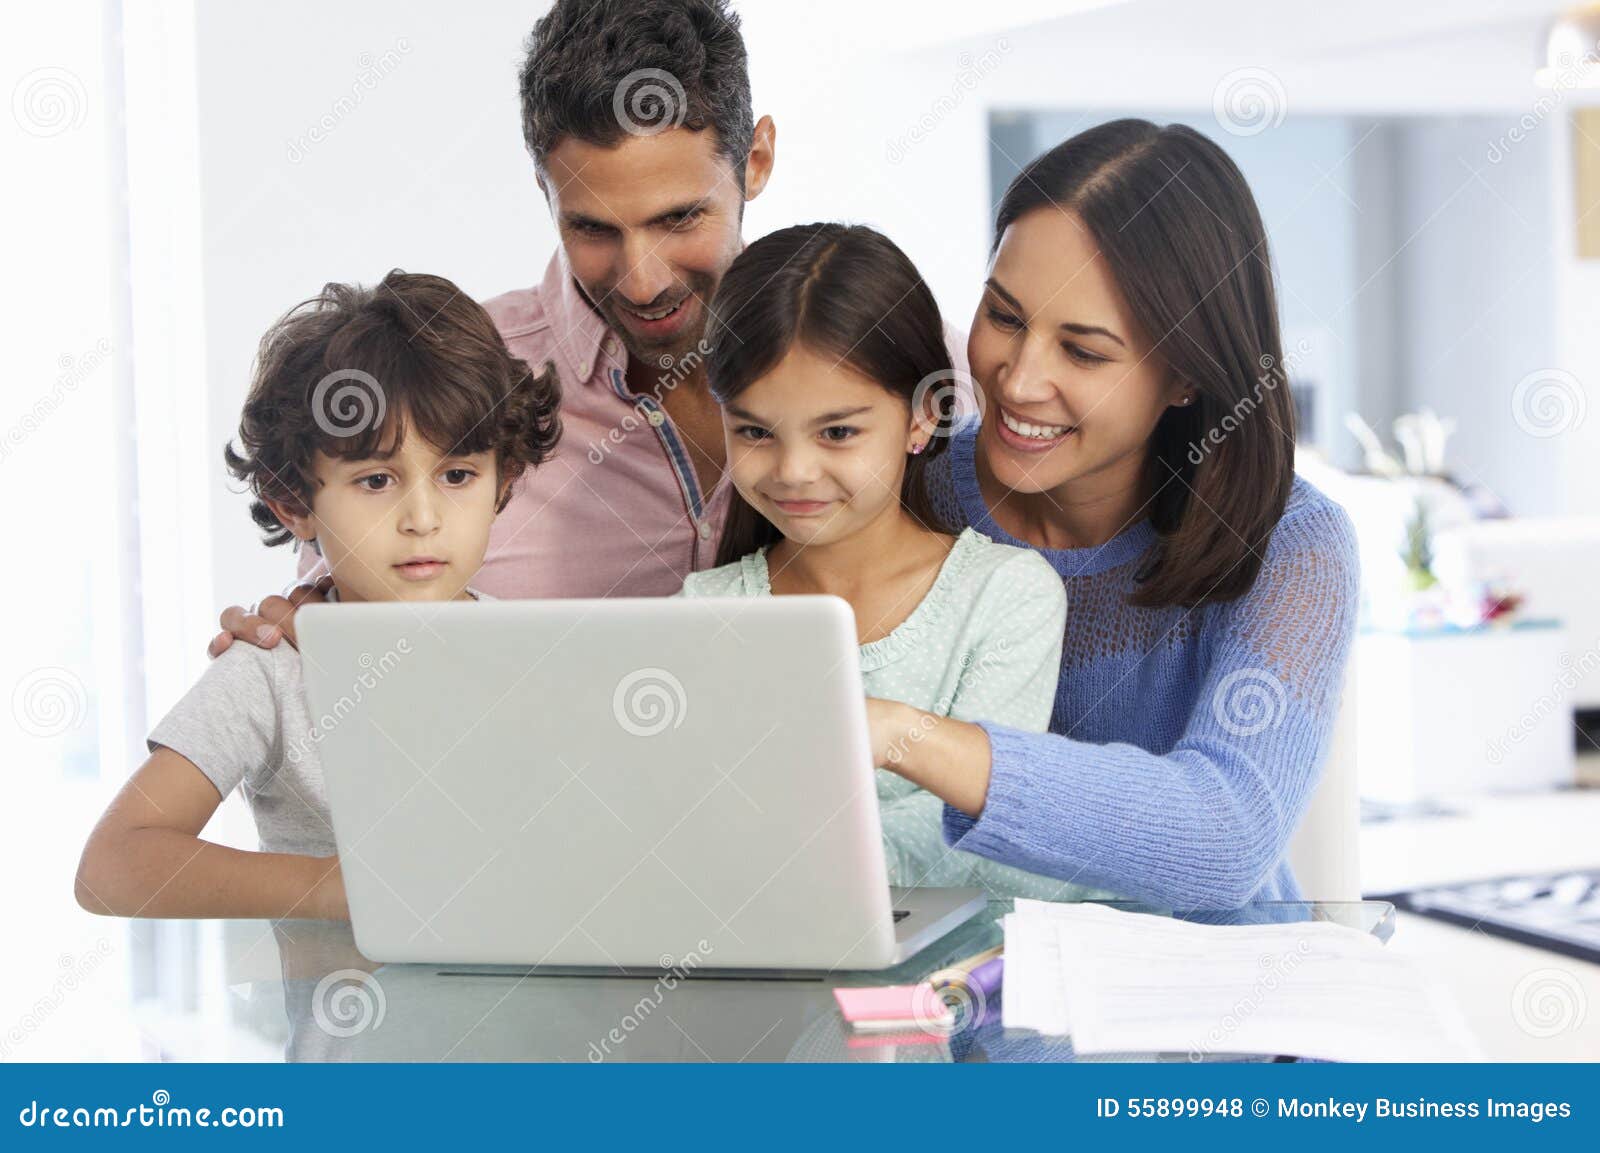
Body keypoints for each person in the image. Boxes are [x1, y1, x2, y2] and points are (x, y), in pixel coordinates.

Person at [211, 0, 965, 653]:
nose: (642, 279)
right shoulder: (458, 380)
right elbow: (336, 609)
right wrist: (300, 628)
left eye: (679, 218)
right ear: (544, 189)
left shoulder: (908, 367)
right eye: (593, 228)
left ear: (756, 159)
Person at [864, 119, 1361, 908]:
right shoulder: (910, 489)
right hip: (972, 990)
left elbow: (1226, 834)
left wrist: (903, 736)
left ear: (1185, 376)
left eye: (1084, 351)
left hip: (1210, 1003)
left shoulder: (1291, 541)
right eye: (1004, 316)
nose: (1019, 380)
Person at [75, 272, 561, 920]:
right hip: (346, 1017)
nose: (423, 516)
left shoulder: (538, 658)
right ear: (295, 503)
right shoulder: (272, 668)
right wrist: (354, 889)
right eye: (377, 479)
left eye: (457, 474)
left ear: (503, 482)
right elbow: (112, 867)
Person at [678, 223, 1094, 899]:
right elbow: (683, 824)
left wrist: (778, 861)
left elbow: (977, 829)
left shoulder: (1005, 598)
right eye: (754, 431)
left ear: (922, 417)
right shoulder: (704, 612)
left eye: (838, 431)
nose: (794, 470)